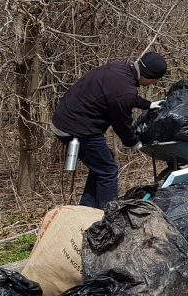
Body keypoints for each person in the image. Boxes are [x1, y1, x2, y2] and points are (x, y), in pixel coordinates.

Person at [51, 51, 168, 209]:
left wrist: (148, 104)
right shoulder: (124, 90)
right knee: (108, 171)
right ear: (148, 75)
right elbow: (122, 124)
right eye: (155, 80)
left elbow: (123, 96)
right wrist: (134, 143)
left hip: (65, 120)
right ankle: (107, 214)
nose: (154, 84)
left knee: (102, 164)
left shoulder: (119, 70)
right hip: (77, 129)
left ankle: (88, 208)